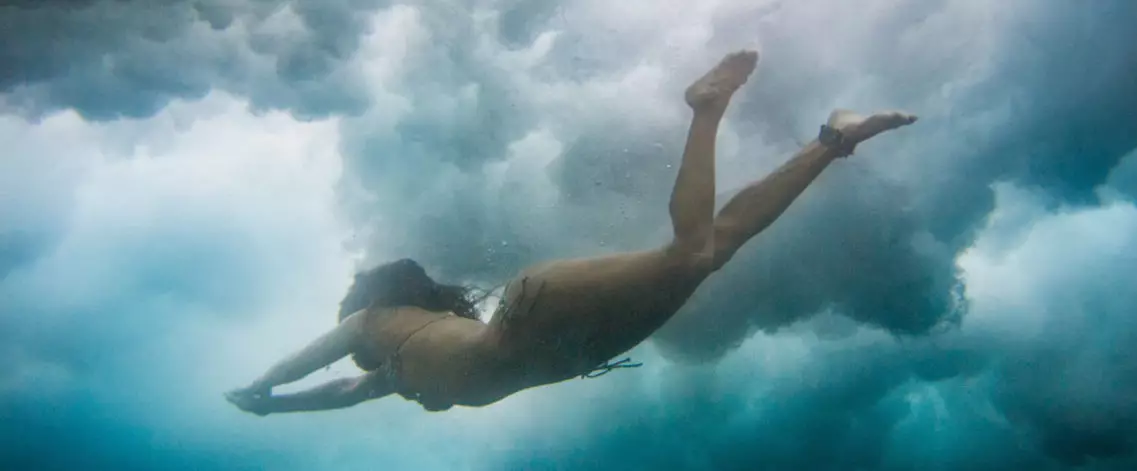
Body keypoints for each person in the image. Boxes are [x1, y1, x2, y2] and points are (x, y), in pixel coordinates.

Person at [225, 50, 917, 415]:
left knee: (694, 253)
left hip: (536, 319)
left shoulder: (375, 322)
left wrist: (264, 383)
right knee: (715, 249)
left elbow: (320, 357)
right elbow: (342, 393)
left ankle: (706, 108)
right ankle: (835, 138)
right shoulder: (398, 374)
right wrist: (272, 410)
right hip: (568, 345)